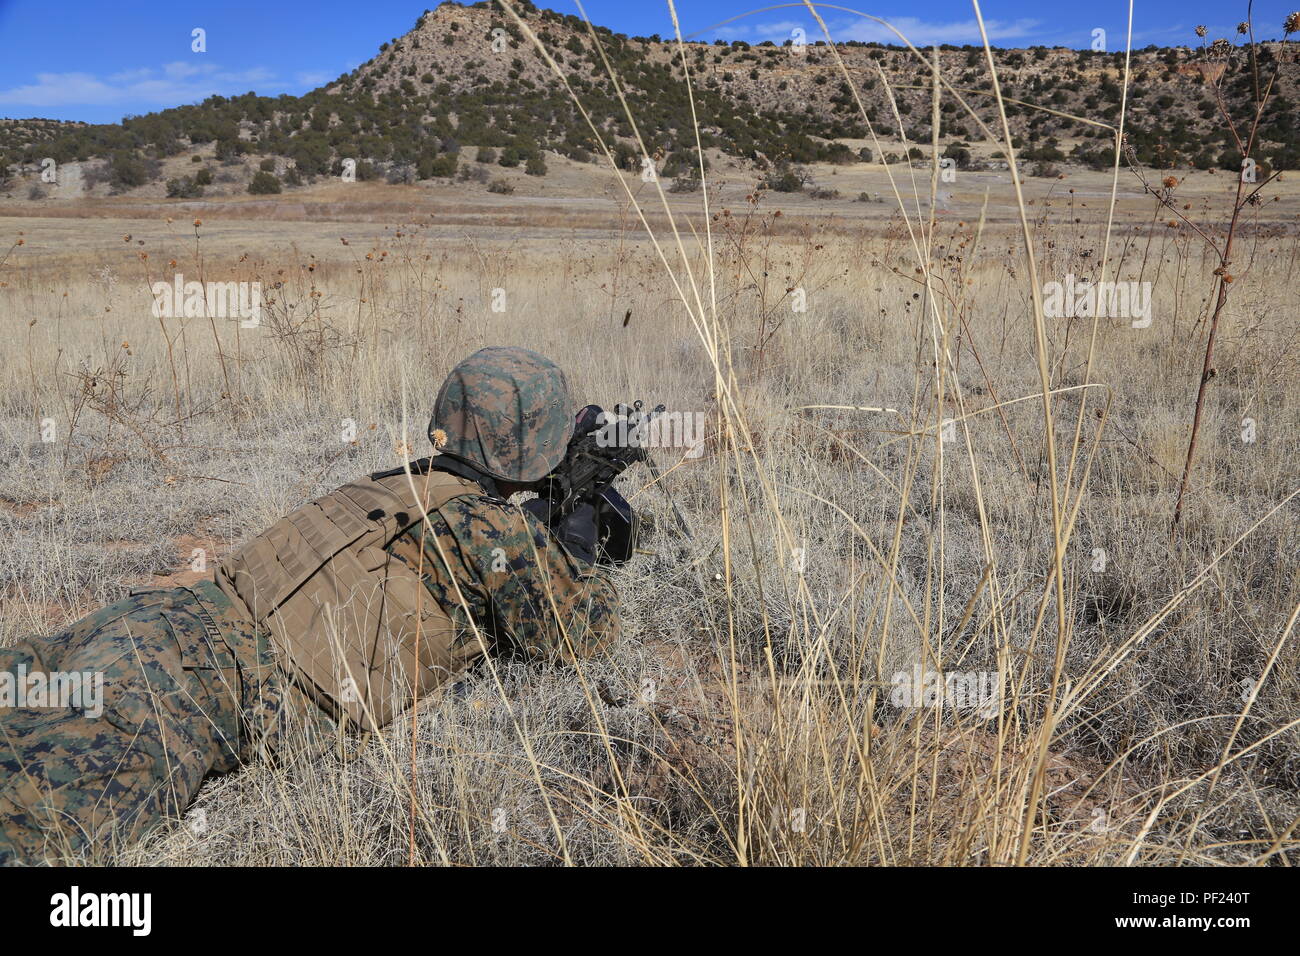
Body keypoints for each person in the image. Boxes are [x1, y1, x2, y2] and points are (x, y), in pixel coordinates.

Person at [0, 346, 622, 865]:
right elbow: (586, 636)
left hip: (155, 620)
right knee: (41, 836)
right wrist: (574, 529)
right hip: (197, 689)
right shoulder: (489, 530)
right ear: (532, 441)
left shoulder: (388, 485)